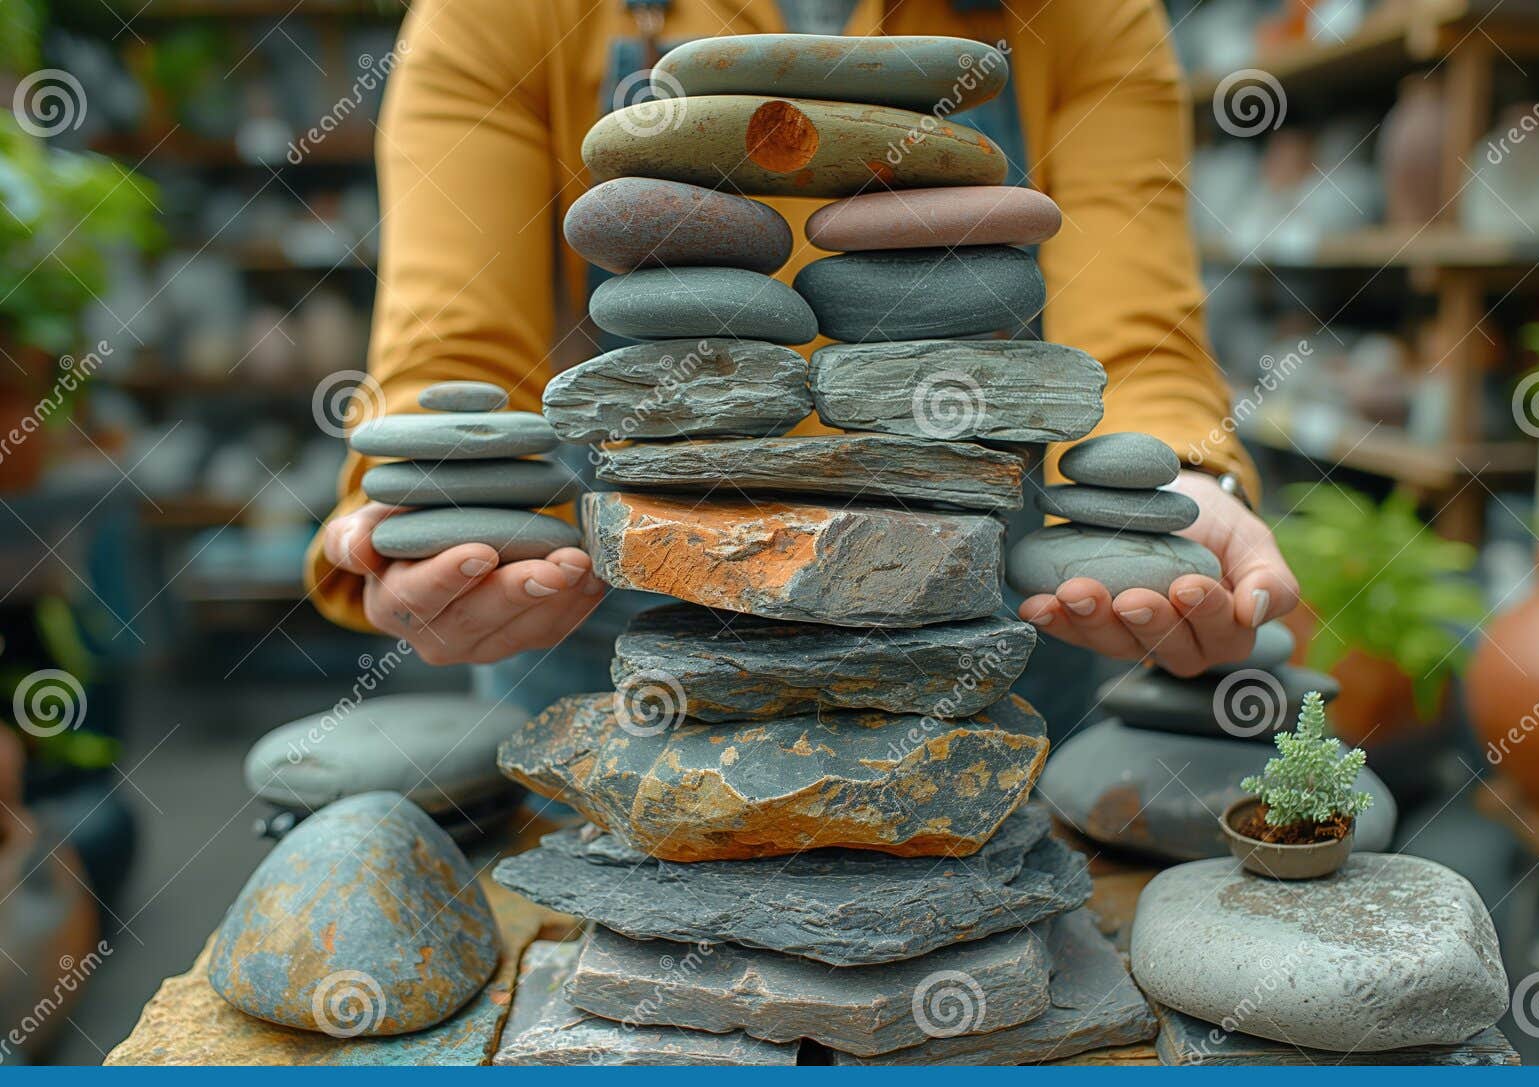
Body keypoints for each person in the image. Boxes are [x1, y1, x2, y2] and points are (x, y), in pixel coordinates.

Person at [308, 0, 1299, 724]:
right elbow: (456, 341)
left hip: (967, 623)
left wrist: (1173, 479)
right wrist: (419, 511)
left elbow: (1131, 335)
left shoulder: (1084, 13)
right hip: (622, 618)